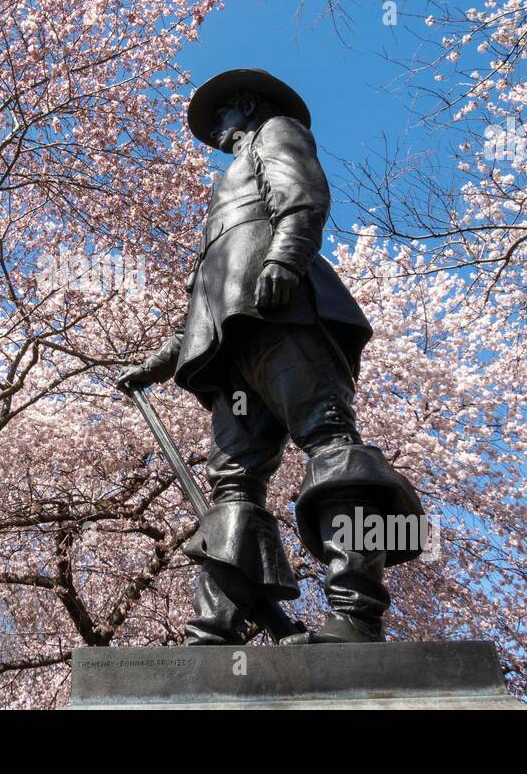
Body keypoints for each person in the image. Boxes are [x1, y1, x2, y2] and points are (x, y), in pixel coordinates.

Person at [117, 69, 424, 645]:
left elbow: (303, 197)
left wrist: (283, 260)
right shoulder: (229, 183)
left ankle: (356, 613)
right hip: (228, 338)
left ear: (245, 106)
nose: (216, 132)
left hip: (278, 311)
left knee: (330, 441)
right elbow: (206, 290)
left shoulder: (275, 131)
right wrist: (160, 361)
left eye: (222, 118)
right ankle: (216, 630)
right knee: (232, 483)